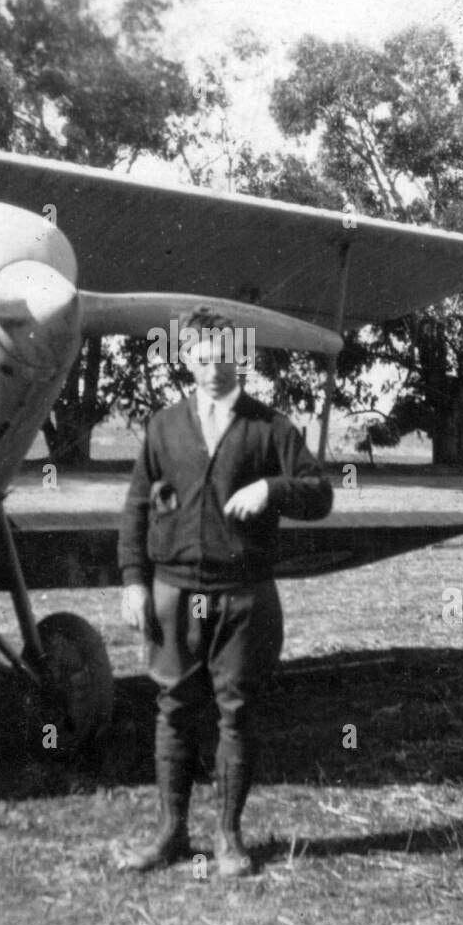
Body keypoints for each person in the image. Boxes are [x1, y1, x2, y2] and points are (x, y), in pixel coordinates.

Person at [117, 306, 333, 876]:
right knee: (173, 709)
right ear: (187, 358)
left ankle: (228, 839)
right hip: (174, 591)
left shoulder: (271, 428)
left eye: (226, 358)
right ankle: (169, 833)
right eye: (203, 357)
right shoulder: (163, 427)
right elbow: (138, 506)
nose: (215, 368)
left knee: (237, 714)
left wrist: (272, 488)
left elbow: (319, 495)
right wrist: (134, 581)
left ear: (243, 359)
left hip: (244, 595)